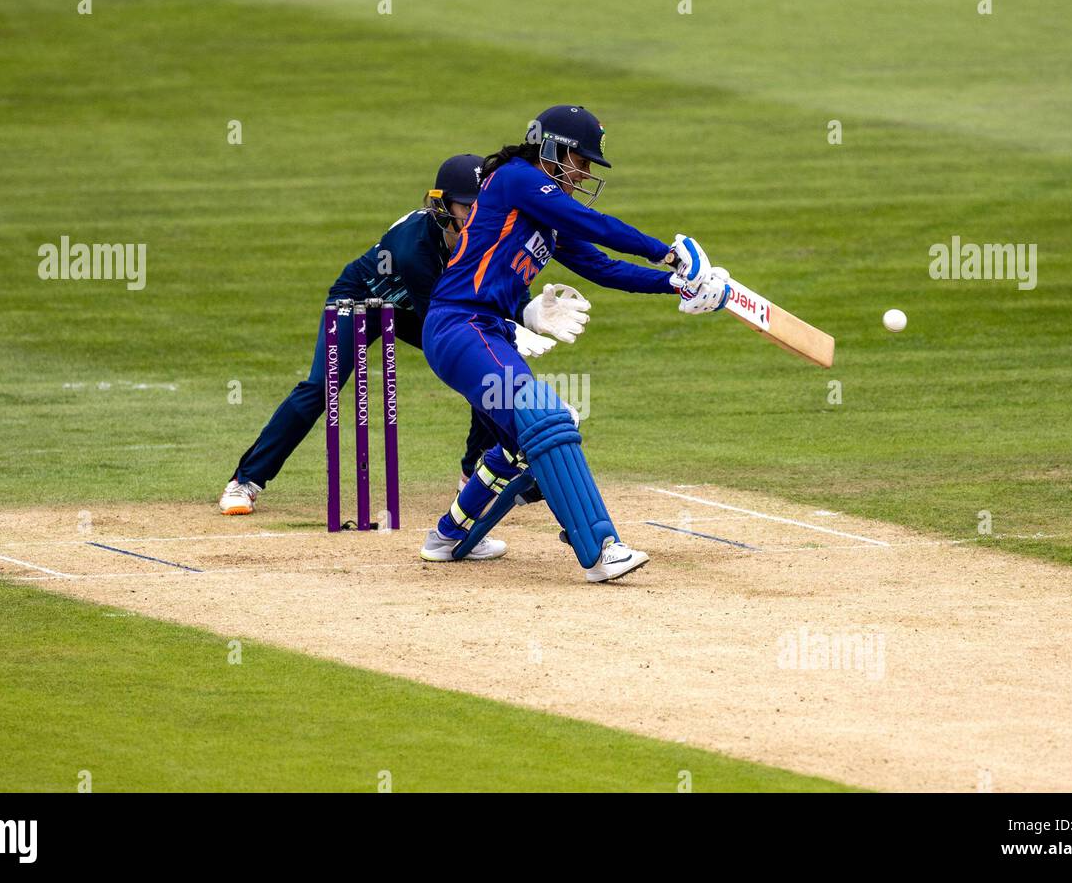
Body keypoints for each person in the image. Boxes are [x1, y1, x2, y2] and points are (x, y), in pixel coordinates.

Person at [418, 105, 730, 580]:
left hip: (484, 331)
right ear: (550, 148)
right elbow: (592, 223)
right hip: (462, 325)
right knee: (546, 418)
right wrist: (667, 253)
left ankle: (447, 535)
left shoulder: (544, 212)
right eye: (580, 160)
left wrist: (676, 286)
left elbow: (603, 267)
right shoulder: (515, 179)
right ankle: (601, 548)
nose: (583, 172)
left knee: (522, 442)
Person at [219, 154, 548, 515]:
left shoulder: (495, 234)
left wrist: (527, 312)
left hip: (426, 309)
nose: (477, 216)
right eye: (468, 207)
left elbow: (506, 290)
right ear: (442, 206)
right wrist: (506, 329)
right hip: (362, 299)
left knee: (483, 371)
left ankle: (474, 475)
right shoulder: (413, 246)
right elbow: (446, 321)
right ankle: (245, 480)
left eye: (483, 206)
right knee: (320, 387)